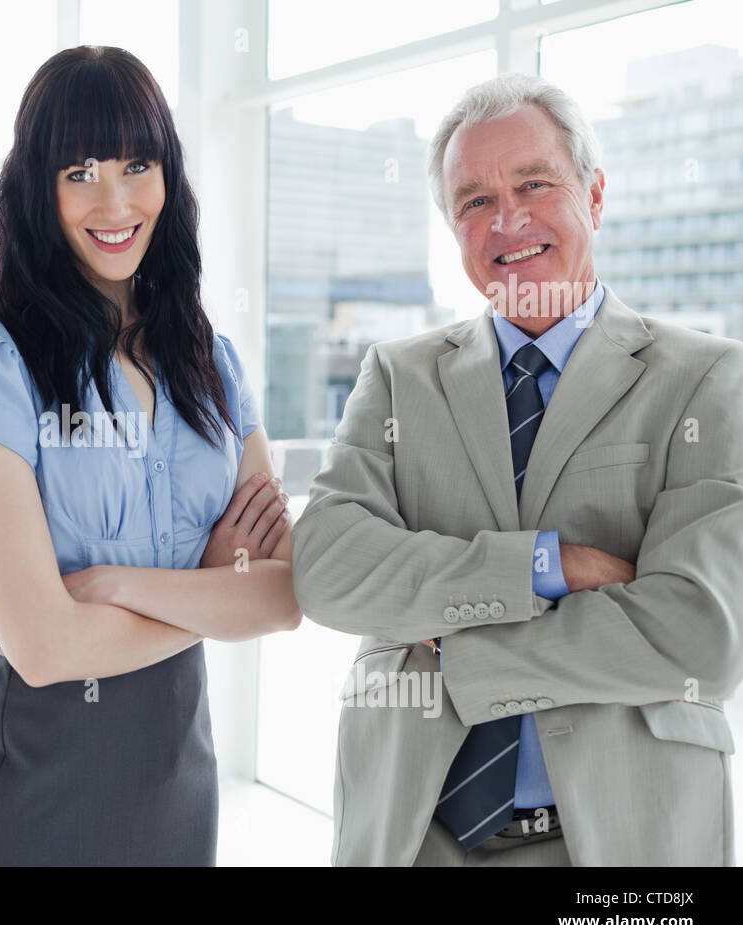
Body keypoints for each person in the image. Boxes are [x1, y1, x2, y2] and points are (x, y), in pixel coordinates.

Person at [293, 73, 743, 866]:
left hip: (619, 840)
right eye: (473, 201)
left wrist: (456, 648)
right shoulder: (398, 376)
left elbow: (698, 635)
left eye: (535, 183)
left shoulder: (706, 379)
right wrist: (547, 565)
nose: (507, 220)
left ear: (595, 196)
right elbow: (327, 568)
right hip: (414, 831)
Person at [0, 45, 301, 866]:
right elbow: (44, 650)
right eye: (80, 172)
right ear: (39, 189)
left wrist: (107, 588)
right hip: (40, 777)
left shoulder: (216, 363)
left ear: (168, 175)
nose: (115, 200)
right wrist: (210, 590)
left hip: (180, 772)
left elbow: (281, 601)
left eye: (138, 164)